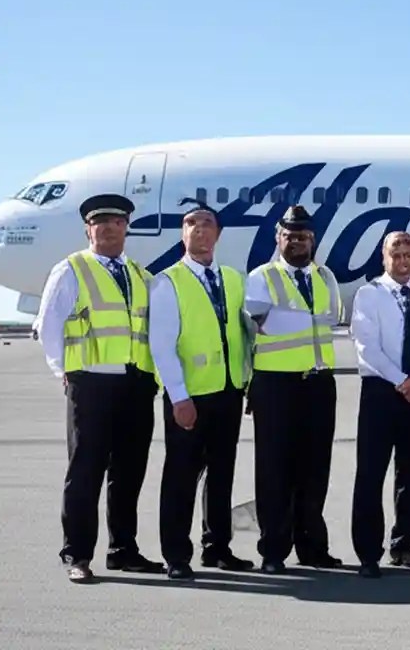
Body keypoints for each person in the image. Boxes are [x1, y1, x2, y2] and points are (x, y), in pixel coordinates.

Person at [36, 193, 165, 582]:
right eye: (100, 222)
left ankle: (123, 550)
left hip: (136, 385)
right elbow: (49, 324)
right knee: (85, 471)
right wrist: (63, 371)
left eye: (117, 222)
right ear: (88, 230)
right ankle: (76, 554)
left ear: (127, 228)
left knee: (129, 473)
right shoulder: (71, 269)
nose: (109, 228)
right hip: (91, 382)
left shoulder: (142, 276)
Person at [150, 199, 254, 580]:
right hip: (190, 396)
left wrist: (248, 383)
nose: (200, 229)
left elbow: (245, 334)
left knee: (222, 475)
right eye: (192, 223)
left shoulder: (233, 279)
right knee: (181, 477)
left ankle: (217, 547)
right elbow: (161, 345)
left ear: (218, 234)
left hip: (228, 391)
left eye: (207, 223)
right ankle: (176, 554)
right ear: (183, 234)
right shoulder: (168, 282)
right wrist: (179, 396)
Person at [245, 205, 343, 574]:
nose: (296, 242)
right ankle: (273, 550)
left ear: (312, 240)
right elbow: (261, 324)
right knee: (274, 471)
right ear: (278, 238)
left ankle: (312, 546)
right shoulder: (262, 277)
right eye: (289, 236)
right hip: (276, 385)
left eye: (302, 236)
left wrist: (291, 317)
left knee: (315, 470)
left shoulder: (325, 277)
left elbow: (333, 318)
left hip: (318, 383)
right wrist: (305, 319)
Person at [349, 231, 410, 578]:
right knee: (371, 474)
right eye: (395, 255)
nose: (403, 261)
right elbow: (367, 348)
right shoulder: (369, 294)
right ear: (384, 258)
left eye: (409, 255)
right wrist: (402, 380)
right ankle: (368, 552)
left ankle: (403, 545)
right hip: (382, 392)